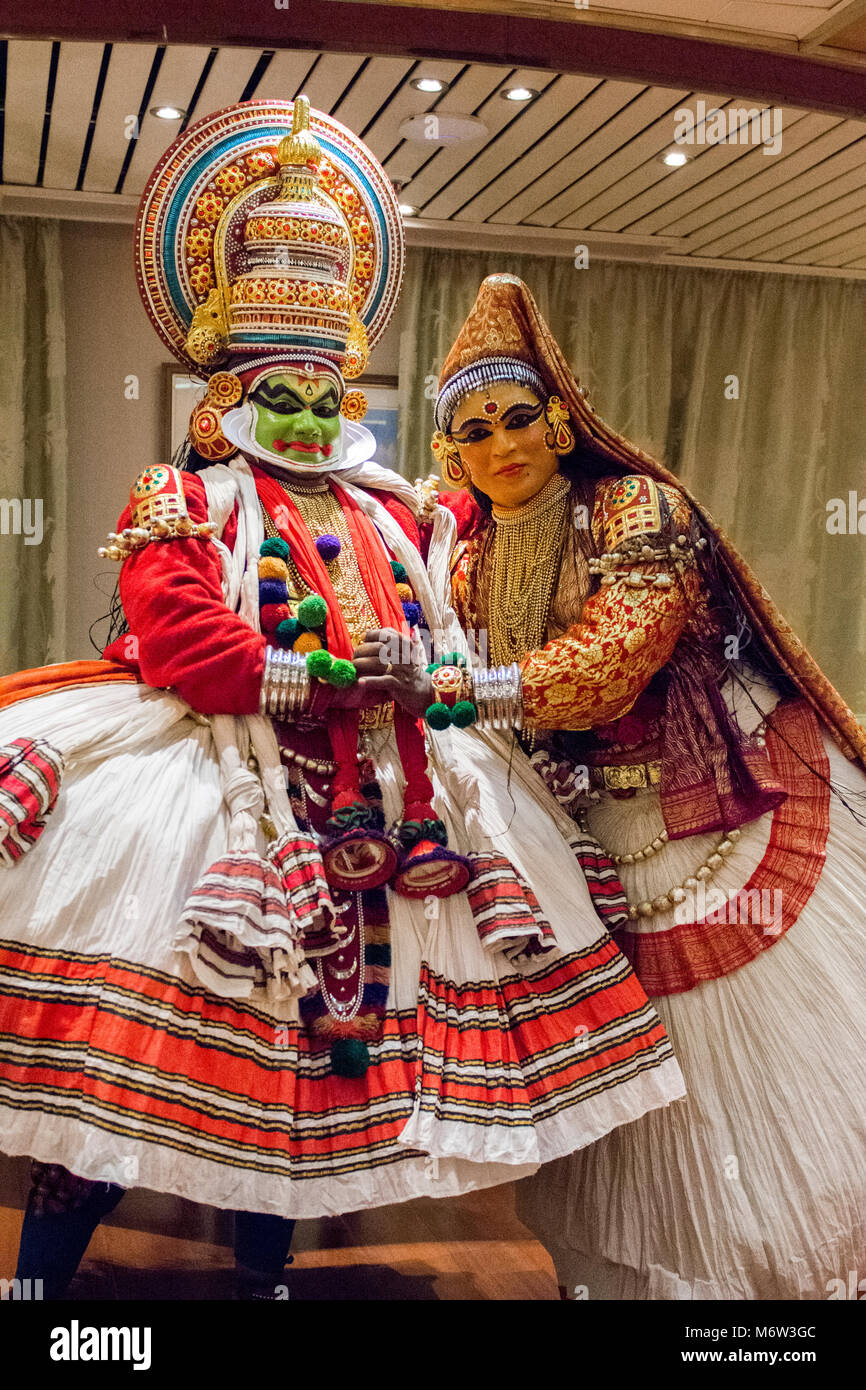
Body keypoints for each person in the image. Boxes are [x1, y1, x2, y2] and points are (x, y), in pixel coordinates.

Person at [0, 105, 683, 1300]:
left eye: (331, 394)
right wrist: (309, 675)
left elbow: (503, 553)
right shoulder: (183, 494)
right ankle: (40, 1292)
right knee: (133, 1070)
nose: (314, 417)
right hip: (222, 779)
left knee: (312, 1090)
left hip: (394, 798)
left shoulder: (398, 511)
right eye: (287, 394)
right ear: (232, 397)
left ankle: (266, 1280)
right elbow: (178, 637)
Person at [373, 271, 866, 1299]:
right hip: (565, 827)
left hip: (698, 818)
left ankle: (754, 1289)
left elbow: (610, 664)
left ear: (558, 421)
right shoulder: (454, 536)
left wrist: (461, 687)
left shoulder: (636, 507)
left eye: (516, 418)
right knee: (615, 1065)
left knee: (723, 1068)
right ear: (447, 450)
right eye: (471, 432)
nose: (498, 444)